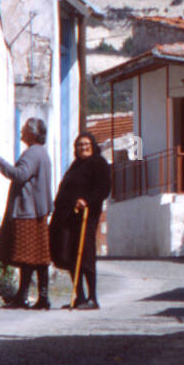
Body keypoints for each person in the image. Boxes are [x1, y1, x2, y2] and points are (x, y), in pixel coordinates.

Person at [0, 118, 53, 310]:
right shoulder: (42, 153)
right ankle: (39, 297)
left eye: (25, 129)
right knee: (38, 257)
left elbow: (20, 174)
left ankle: (26, 297)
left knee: (28, 257)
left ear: (32, 133)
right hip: (37, 211)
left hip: (28, 211)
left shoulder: (32, 153)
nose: (21, 132)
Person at [50, 132, 111, 309]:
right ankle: (80, 297)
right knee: (70, 255)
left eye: (86, 144)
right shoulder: (75, 165)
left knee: (86, 255)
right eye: (80, 144)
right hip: (69, 218)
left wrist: (87, 201)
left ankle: (93, 298)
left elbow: (103, 188)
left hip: (86, 217)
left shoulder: (99, 163)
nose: (83, 147)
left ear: (92, 145)